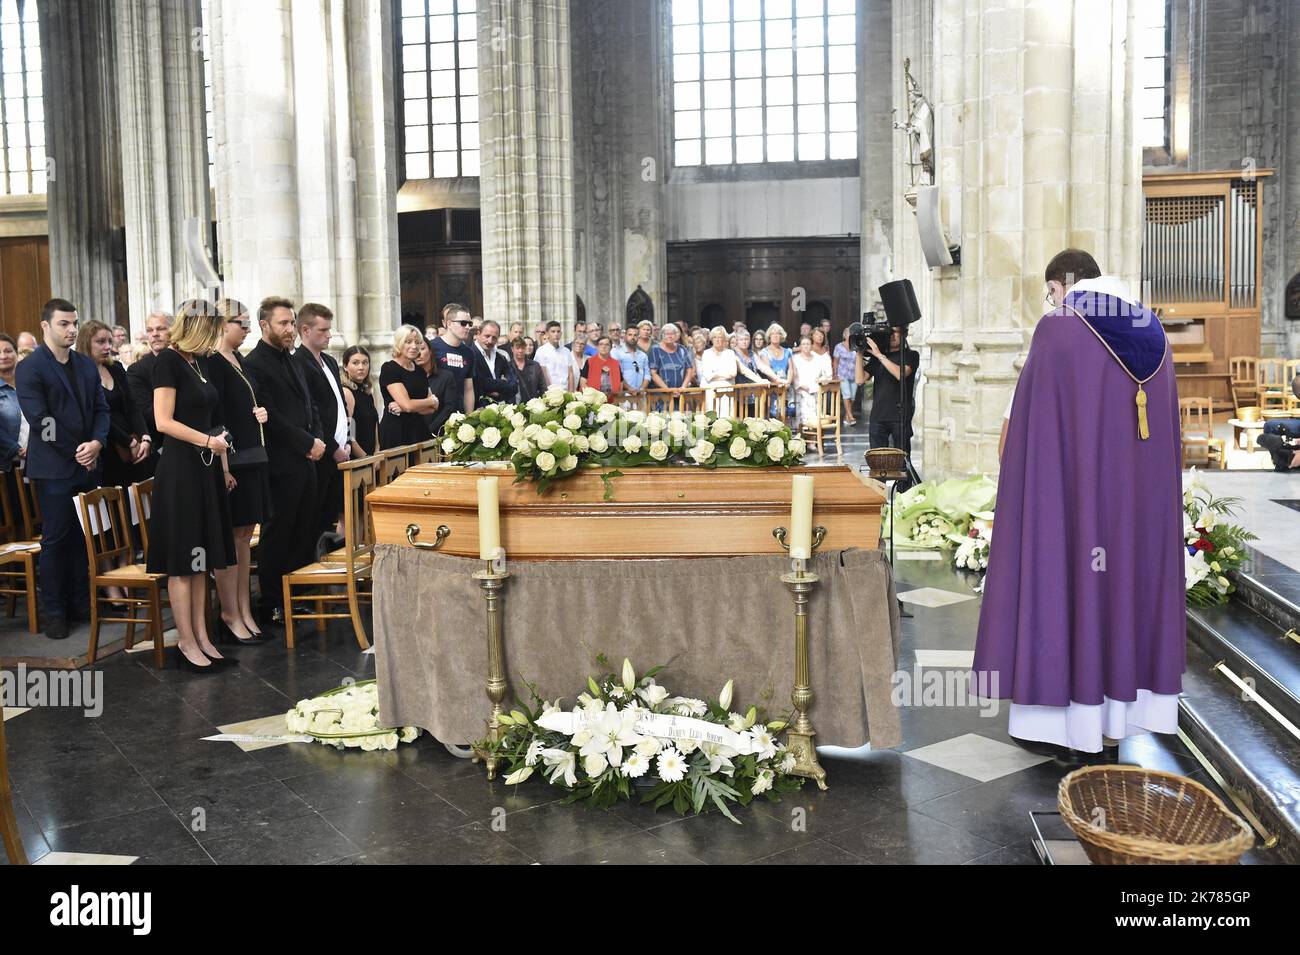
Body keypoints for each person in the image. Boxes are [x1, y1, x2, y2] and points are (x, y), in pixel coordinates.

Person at [974, 249, 1184, 759]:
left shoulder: (1060, 328)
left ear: (1061, 284)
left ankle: (1060, 728)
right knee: (1120, 590)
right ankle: (1116, 721)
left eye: (1051, 292)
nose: (1052, 301)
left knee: (1066, 580)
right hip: (1131, 513)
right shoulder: (1153, 332)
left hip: (1070, 506)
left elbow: (1031, 429)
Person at [145, 300, 241, 670]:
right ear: (197, 328)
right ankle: (186, 642)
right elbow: (163, 421)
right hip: (181, 471)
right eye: (212, 332)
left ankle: (203, 637)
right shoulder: (167, 361)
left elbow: (209, 415)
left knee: (201, 559)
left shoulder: (196, 362)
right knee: (184, 561)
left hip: (204, 468)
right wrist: (206, 442)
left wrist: (221, 450)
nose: (215, 340)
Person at [16, 299, 109, 639]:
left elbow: (102, 409)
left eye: (74, 323)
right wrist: (76, 451)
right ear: (45, 326)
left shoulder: (85, 364)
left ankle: (81, 604)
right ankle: (54, 611)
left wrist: (97, 442)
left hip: (87, 463)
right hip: (54, 467)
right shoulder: (31, 367)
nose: (71, 329)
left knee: (82, 538)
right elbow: (41, 420)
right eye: (64, 324)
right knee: (55, 540)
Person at [241, 296, 325, 630]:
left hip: (307, 460)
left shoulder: (292, 359)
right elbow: (270, 416)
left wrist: (317, 440)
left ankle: (298, 596)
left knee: (304, 530)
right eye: (283, 323)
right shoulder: (256, 363)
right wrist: (307, 444)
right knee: (279, 534)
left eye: (291, 323)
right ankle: (273, 602)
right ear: (265, 326)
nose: (290, 329)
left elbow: (310, 405)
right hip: (280, 461)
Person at [207, 299, 272, 644]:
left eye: (248, 323)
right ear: (222, 324)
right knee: (232, 540)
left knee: (246, 537)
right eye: (241, 323)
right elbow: (215, 418)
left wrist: (260, 413)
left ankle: (245, 609)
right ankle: (229, 613)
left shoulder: (240, 359)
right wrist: (224, 466)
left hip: (253, 455)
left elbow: (247, 402)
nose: (247, 330)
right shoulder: (213, 362)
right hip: (233, 459)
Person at [76, 319, 150, 499]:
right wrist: (128, 442)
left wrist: (145, 437)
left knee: (141, 503)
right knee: (118, 505)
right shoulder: (80, 374)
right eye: (101, 342)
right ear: (86, 343)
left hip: (133, 440)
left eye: (109, 341)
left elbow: (132, 406)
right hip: (106, 445)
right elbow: (97, 415)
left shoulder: (115, 368)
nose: (107, 346)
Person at [294, 303, 349, 532]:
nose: (329, 335)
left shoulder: (329, 361)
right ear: (306, 330)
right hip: (321, 451)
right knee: (317, 518)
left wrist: (348, 440)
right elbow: (314, 412)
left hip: (342, 449)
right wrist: (334, 447)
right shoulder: (299, 362)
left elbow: (339, 406)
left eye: (329, 329)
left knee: (337, 511)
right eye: (323, 330)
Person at [126, 311, 173, 478]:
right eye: (150, 330)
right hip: (161, 448)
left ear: (173, 330)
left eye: (160, 328)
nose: (154, 334)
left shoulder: (187, 363)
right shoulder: (138, 370)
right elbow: (146, 412)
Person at [863, 325, 919, 454]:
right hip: (878, 415)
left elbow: (900, 374)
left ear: (904, 335)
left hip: (899, 416)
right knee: (878, 460)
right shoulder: (878, 358)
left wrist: (879, 355)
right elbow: (860, 379)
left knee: (901, 461)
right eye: (890, 333)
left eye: (896, 332)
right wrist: (859, 353)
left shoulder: (911, 355)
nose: (892, 336)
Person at [379, 325, 437, 448]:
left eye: (417, 342)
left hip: (418, 431)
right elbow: (409, 405)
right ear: (399, 343)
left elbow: (432, 408)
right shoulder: (390, 368)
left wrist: (406, 406)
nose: (414, 346)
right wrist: (429, 400)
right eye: (408, 342)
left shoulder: (420, 371)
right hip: (397, 432)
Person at [698, 325, 763, 416]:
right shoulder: (706, 353)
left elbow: (732, 373)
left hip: (727, 392)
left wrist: (715, 373)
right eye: (715, 337)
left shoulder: (730, 353)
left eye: (720, 337)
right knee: (709, 421)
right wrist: (724, 374)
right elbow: (707, 375)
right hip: (710, 393)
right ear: (711, 339)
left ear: (724, 339)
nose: (717, 339)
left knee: (727, 420)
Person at [430, 303, 476, 415]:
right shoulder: (432, 347)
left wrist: (469, 417)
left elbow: (468, 388)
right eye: (463, 323)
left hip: (457, 412)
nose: (467, 327)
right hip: (434, 410)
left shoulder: (469, 352)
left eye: (469, 324)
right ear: (449, 324)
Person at [340, 345, 379, 457]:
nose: (361, 367)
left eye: (365, 363)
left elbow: (375, 422)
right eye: (355, 363)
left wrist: (377, 450)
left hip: (373, 456)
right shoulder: (347, 392)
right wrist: (365, 458)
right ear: (345, 366)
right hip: (358, 458)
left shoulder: (368, 391)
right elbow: (349, 433)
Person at [417, 336, 457, 437]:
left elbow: (449, 407)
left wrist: (430, 429)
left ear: (430, 351)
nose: (418, 354)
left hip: (438, 433)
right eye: (416, 350)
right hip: (414, 432)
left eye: (422, 349)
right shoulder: (409, 378)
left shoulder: (446, 376)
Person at [471, 319, 516, 407]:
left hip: (500, 409)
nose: (490, 341)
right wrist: (502, 383)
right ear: (478, 333)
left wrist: (499, 395)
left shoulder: (500, 357)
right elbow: (477, 383)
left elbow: (514, 385)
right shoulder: (470, 354)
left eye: (494, 337)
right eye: (487, 336)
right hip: (478, 409)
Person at [790, 335, 832, 427]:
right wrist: (800, 385)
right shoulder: (794, 358)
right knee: (801, 420)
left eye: (808, 344)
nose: (805, 346)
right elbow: (792, 375)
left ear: (811, 345)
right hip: (800, 392)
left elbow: (826, 375)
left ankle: (813, 438)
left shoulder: (818, 358)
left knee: (814, 419)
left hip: (815, 392)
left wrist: (820, 380)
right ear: (800, 346)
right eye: (803, 344)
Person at [649, 322, 696, 392]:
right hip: (661, 395)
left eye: (672, 334)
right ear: (662, 335)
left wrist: (683, 388)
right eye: (667, 334)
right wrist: (668, 390)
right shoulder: (655, 350)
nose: (670, 336)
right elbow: (653, 373)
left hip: (680, 393)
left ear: (676, 335)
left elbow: (689, 369)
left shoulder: (682, 349)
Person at [760, 324, 793, 418]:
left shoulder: (787, 351)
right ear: (769, 336)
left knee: (786, 415)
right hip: (772, 388)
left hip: (786, 387)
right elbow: (767, 371)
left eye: (778, 333)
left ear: (781, 336)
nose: (775, 335)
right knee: (774, 416)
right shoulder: (764, 352)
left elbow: (791, 369)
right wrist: (777, 383)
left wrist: (788, 383)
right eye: (772, 333)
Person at [611, 325, 650, 396]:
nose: (632, 337)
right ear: (625, 336)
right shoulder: (616, 352)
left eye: (635, 335)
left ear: (638, 337)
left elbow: (647, 375)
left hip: (640, 395)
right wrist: (630, 389)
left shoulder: (643, 355)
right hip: (623, 395)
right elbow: (617, 374)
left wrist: (641, 389)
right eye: (630, 335)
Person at [533, 321, 572, 391]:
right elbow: (543, 373)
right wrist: (549, 391)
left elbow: (570, 373)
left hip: (565, 390)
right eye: (553, 331)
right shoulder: (541, 351)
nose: (556, 334)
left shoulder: (566, 351)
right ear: (547, 333)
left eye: (558, 331)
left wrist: (571, 392)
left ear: (561, 333)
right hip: (550, 391)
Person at [833, 327, 860, 426]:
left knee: (852, 397)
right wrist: (835, 374)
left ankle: (847, 417)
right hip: (842, 375)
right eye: (848, 334)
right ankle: (851, 416)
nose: (850, 335)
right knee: (847, 395)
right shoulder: (838, 347)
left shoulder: (856, 346)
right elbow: (835, 361)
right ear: (844, 335)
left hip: (854, 375)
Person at [510, 335, 547, 403]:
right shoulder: (507, 366)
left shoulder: (535, 366)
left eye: (522, 348)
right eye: (518, 348)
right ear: (512, 349)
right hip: (514, 407)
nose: (520, 351)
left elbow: (543, 387)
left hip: (533, 405)